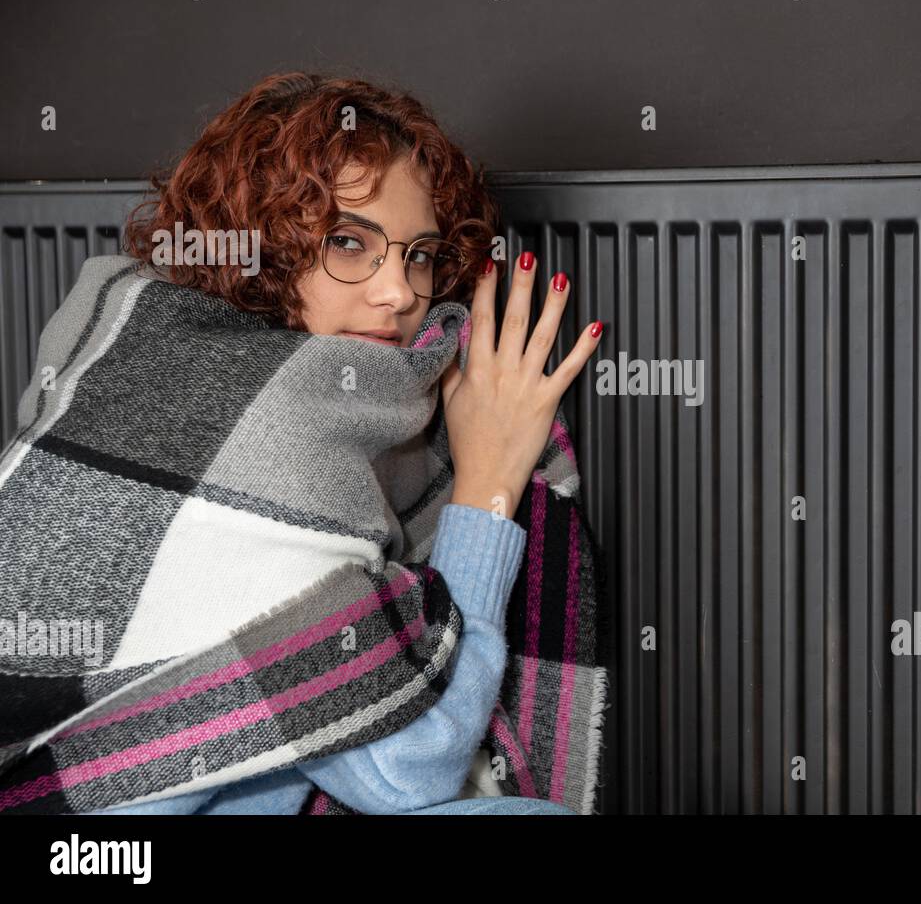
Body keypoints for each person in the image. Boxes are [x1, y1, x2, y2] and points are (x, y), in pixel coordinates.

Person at [81, 72, 604, 815]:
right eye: (349, 243)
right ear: (253, 250)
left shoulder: (158, 373)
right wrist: (486, 487)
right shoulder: (256, 444)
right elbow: (411, 770)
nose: (398, 292)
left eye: (417, 255)